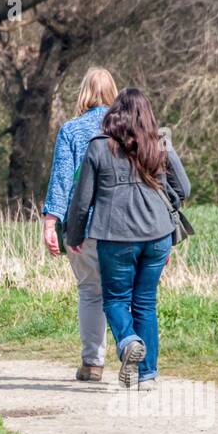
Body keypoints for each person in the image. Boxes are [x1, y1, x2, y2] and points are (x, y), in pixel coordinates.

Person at [65, 88, 190, 390]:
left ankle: (128, 342)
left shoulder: (99, 147)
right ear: (147, 114)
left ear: (114, 113)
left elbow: (83, 201)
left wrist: (75, 234)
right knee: (145, 302)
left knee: (116, 299)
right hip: (158, 233)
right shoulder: (159, 142)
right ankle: (147, 375)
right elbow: (183, 188)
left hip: (115, 233)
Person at [41, 67, 118, 383]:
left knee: (90, 291)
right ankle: (131, 350)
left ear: (83, 93)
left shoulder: (71, 131)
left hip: (82, 223)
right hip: (123, 223)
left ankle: (93, 362)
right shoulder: (126, 130)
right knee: (123, 291)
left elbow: (61, 178)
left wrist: (50, 222)